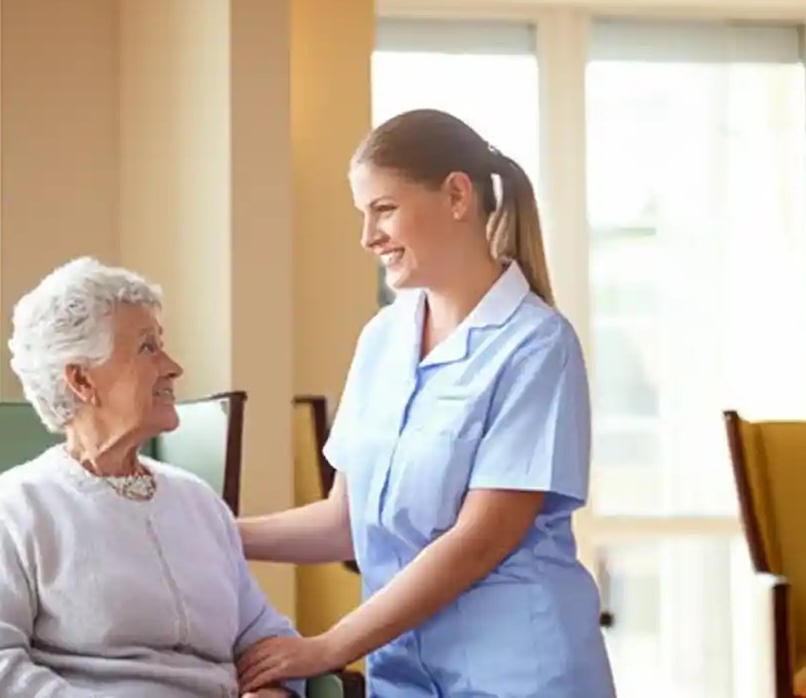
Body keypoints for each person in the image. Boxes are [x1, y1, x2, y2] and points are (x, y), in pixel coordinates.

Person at [235, 109, 616, 697]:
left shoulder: (537, 345)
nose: (368, 237)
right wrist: (208, 531)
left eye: (383, 209)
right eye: (363, 215)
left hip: (520, 676)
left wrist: (328, 647)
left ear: (457, 195)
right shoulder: (382, 340)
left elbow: (479, 541)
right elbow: (345, 523)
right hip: (406, 679)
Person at [0, 257, 302, 698]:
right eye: (147, 347)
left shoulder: (199, 501)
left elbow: (264, 637)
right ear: (81, 379)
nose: (173, 366)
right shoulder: (16, 507)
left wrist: (274, 692)